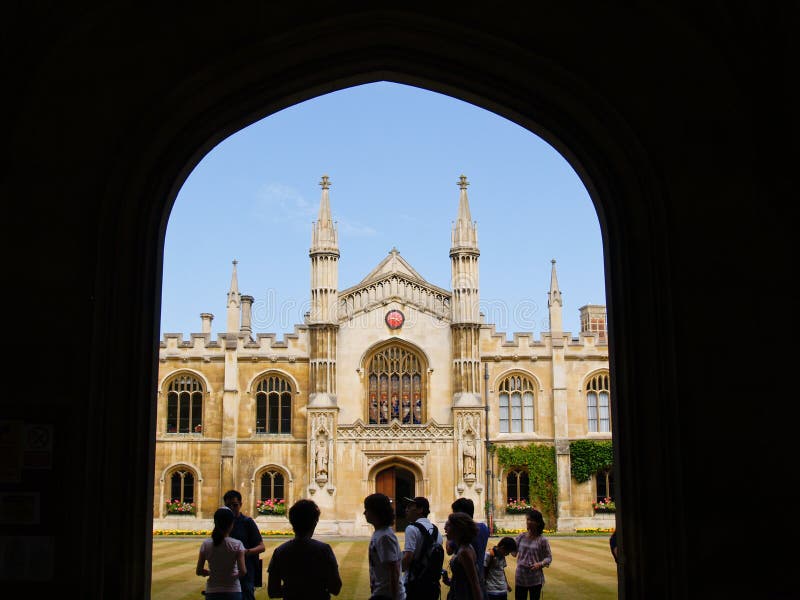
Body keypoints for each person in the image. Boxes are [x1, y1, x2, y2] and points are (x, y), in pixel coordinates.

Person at [267, 498, 342, 600]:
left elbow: (272, 591)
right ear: (315, 523)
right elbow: (336, 588)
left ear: (292, 522)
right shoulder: (323, 550)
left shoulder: (280, 551)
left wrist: (292, 590)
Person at [196, 506, 248, 600]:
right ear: (232, 524)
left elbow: (199, 571)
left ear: (215, 523)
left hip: (212, 590)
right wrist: (230, 576)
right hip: (233, 590)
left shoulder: (206, 544)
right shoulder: (237, 544)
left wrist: (212, 573)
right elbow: (243, 571)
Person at [223, 489, 266, 600]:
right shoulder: (222, 524)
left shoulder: (247, 522)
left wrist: (244, 552)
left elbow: (261, 547)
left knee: (246, 595)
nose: (232, 508)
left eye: (235, 505)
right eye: (228, 506)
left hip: (246, 569)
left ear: (241, 505)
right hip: (227, 569)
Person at [364, 492, 405, 600]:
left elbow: (394, 569)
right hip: (381, 593)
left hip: (387, 595)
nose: (364, 513)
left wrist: (394, 597)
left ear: (376, 512)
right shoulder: (380, 534)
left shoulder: (384, 536)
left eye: (367, 509)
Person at [401, 496, 443, 599]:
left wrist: (398, 568)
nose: (407, 509)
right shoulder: (437, 532)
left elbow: (408, 557)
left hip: (413, 584)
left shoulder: (411, 529)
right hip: (431, 586)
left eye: (410, 507)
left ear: (420, 510)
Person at [449, 498, 489, 599]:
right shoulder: (483, 528)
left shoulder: (463, 544)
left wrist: (449, 538)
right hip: (480, 578)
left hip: (465, 588)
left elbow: (449, 550)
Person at [441, 512, 482, 600]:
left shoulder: (464, 552)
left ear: (458, 529)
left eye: (448, 526)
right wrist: (448, 581)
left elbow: (474, 583)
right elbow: (463, 580)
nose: (444, 528)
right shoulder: (464, 548)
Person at [512, 509, 552, 600]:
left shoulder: (542, 540)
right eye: (527, 520)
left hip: (535, 578)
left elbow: (549, 558)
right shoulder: (521, 537)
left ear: (537, 522)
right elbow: (513, 552)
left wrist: (540, 564)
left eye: (531, 520)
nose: (528, 522)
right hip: (520, 577)